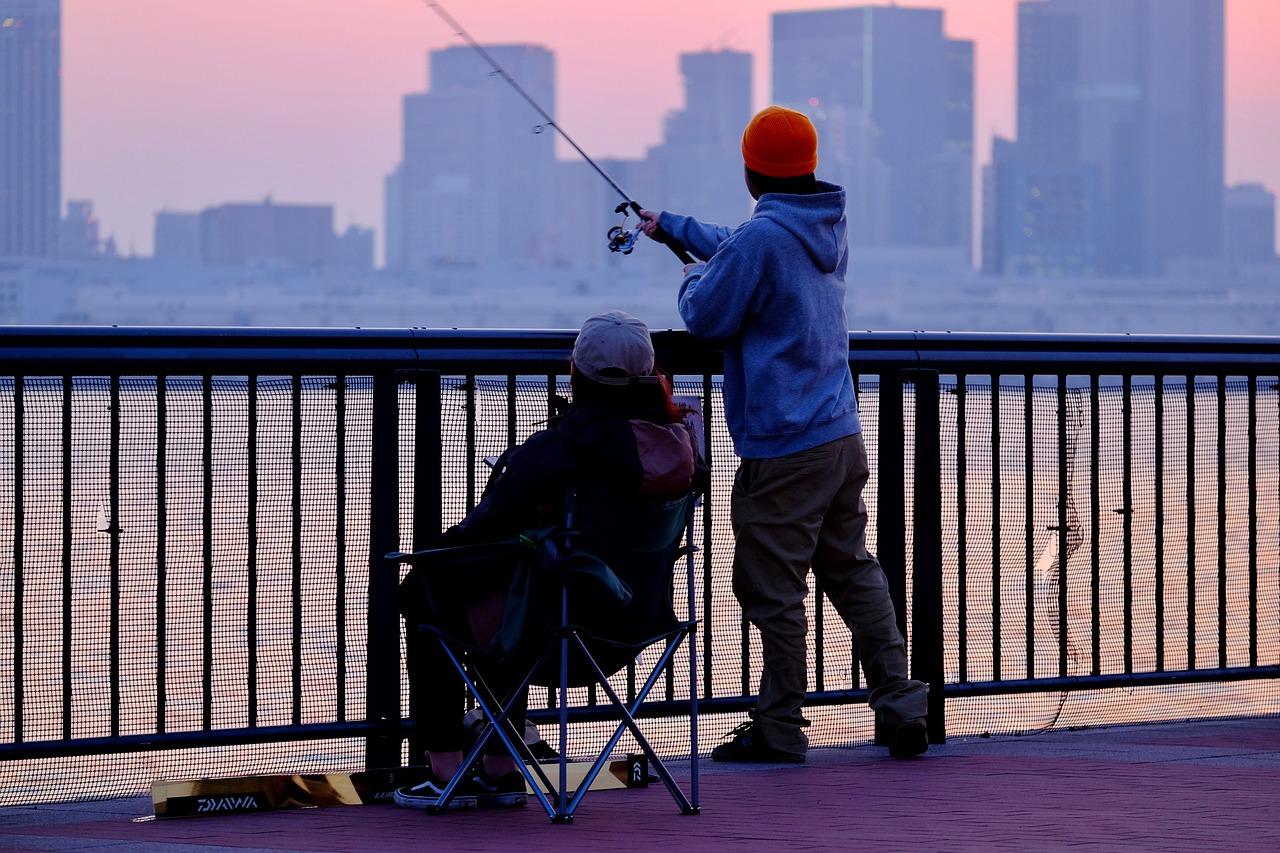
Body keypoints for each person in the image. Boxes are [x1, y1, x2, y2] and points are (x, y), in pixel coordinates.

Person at [639, 105, 930, 763]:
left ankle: (778, 725)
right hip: (839, 432)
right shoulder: (822, 226)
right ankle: (902, 702)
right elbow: (741, 242)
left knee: (770, 586)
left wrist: (689, 271)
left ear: (751, 169)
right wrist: (675, 228)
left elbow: (707, 314)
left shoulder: (762, 240)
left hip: (785, 441)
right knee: (852, 570)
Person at [394, 310, 702, 810]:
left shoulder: (558, 449)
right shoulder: (684, 448)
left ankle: (447, 771)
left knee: (430, 594)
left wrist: (428, 557)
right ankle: (499, 769)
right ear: (651, 374)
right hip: (637, 627)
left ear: (574, 372)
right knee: (519, 586)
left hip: (560, 634)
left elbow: (484, 528)